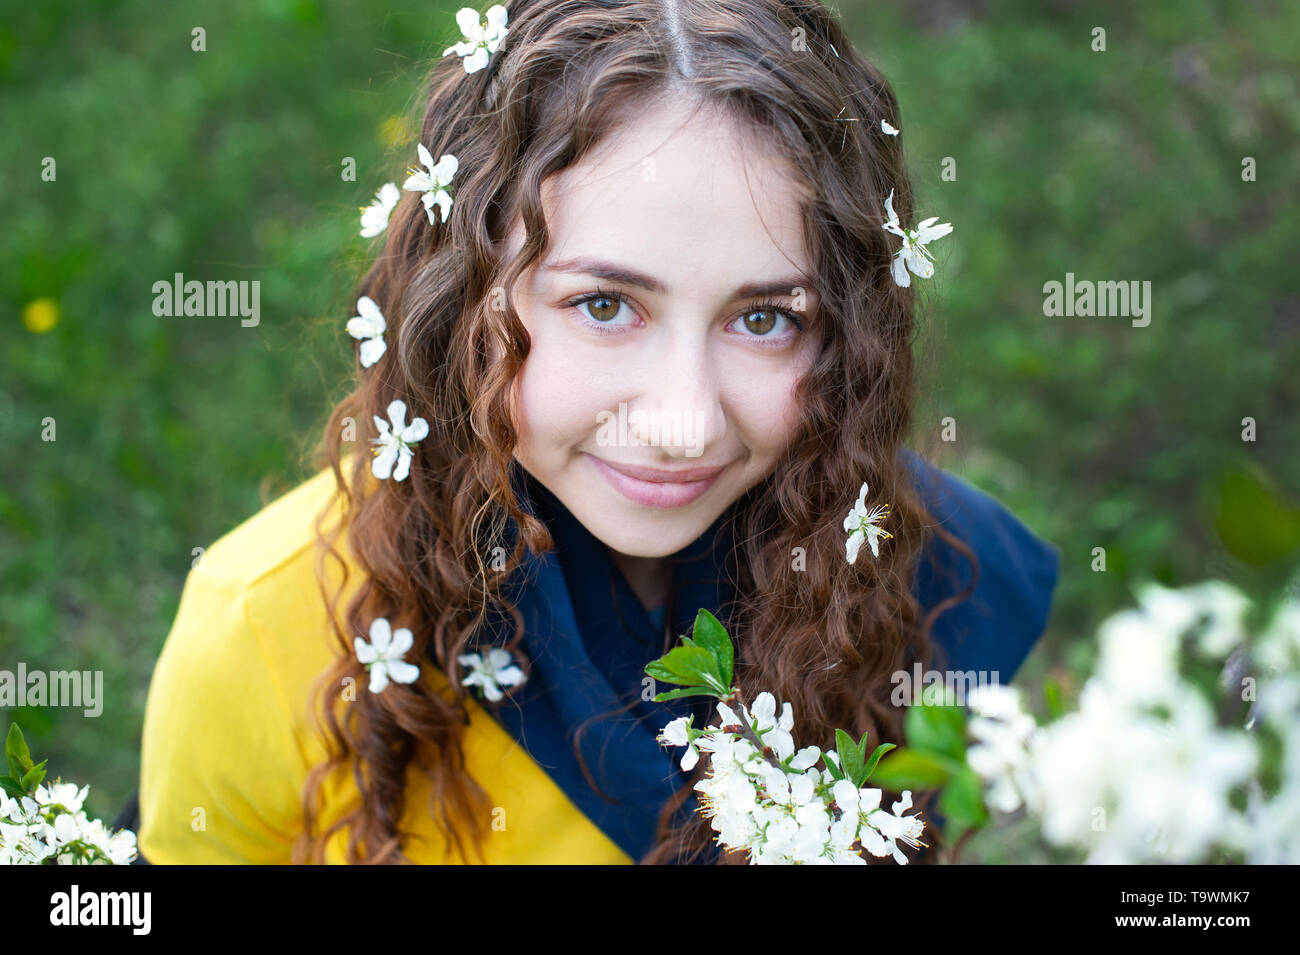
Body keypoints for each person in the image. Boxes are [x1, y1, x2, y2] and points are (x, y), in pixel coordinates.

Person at [137, 0, 1059, 865]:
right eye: (605, 304)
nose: (684, 421)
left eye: (767, 318)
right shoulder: (260, 640)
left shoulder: (922, 580)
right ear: (464, 294)